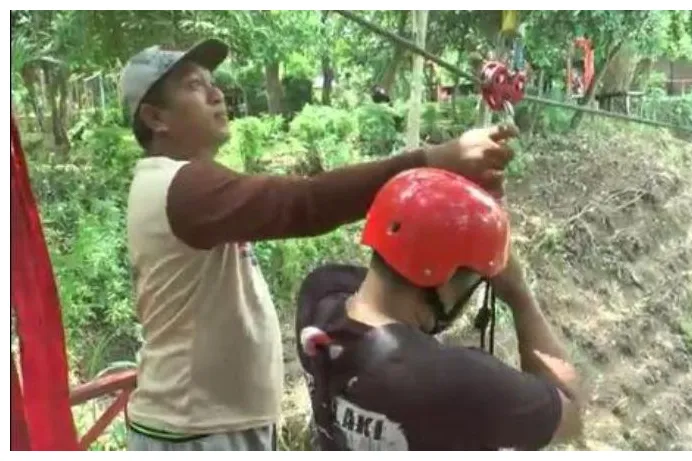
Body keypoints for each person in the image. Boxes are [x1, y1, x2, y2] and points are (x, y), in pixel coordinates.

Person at [121, 38, 518, 451]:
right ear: (155, 117)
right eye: (193, 86)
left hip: (210, 423)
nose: (216, 93)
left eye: (211, 82)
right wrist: (429, 161)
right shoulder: (178, 187)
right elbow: (304, 204)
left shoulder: (179, 184)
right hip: (193, 431)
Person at [295, 167, 583, 451]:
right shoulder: (460, 383)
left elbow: (384, 282)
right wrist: (519, 295)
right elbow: (570, 413)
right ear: (444, 282)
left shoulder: (318, 297)